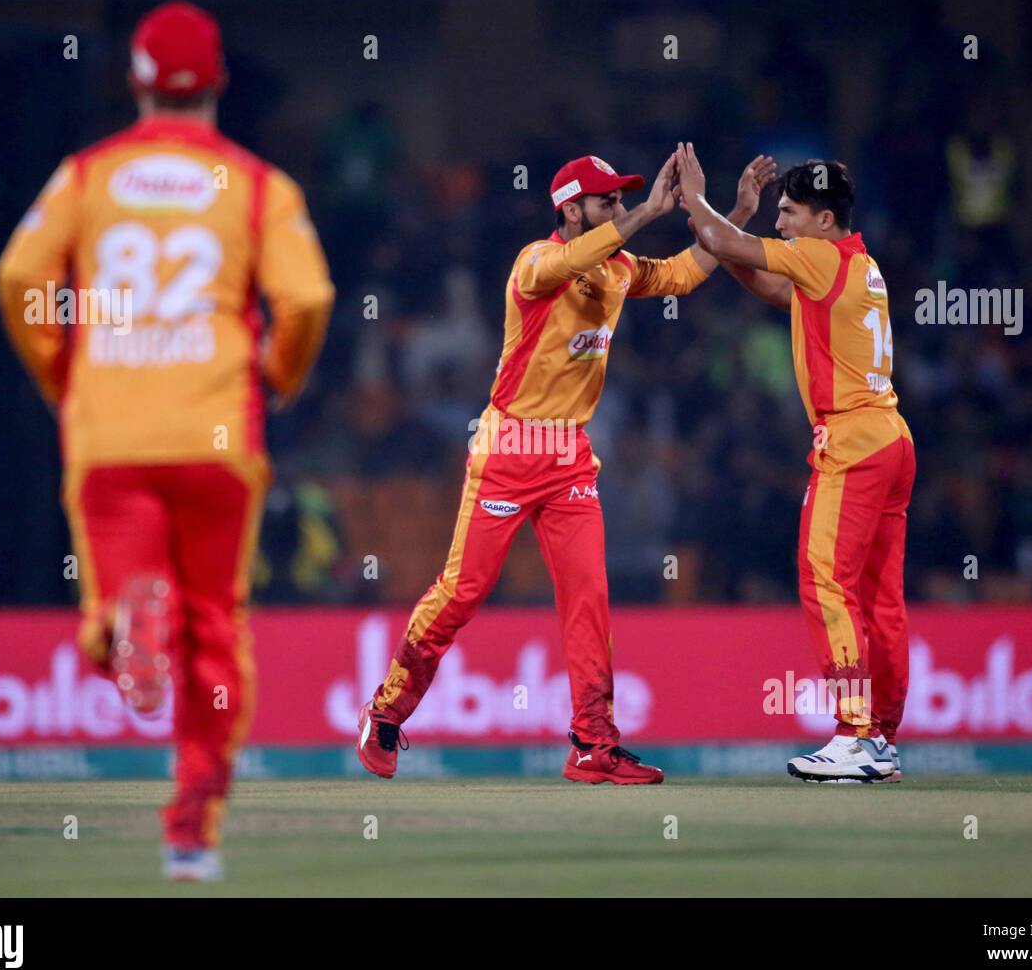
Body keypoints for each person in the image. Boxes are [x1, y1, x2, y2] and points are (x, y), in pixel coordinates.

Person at [0, 1, 334, 878]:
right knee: (216, 627)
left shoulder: (86, 177)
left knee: (121, 606)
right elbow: (307, 302)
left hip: (111, 433)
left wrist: (62, 375)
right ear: (218, 82)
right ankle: (192, 827)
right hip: (215, 432)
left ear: (136, 83)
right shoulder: (261, 187)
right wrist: (278, 375)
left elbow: (21, 275)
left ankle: (116, 628)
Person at [357, 152, 721, 785]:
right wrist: (644, 215)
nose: (615, 208)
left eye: (619, 200)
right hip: (508, 451)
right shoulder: (533, 263)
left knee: (589, 600)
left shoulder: (617, 268)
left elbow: (685, 275)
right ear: (571, 208)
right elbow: (567, 262)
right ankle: (386, 712)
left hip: (570, 454)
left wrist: (727, 213)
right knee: (462, 594)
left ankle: (592, 744)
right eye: (605, 200)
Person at [676, 144, 913, 782]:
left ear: (823, 221)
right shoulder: (855, 264)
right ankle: (881, 737)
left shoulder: (818, 255)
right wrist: (730, 231)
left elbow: (731, 242)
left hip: (853, 441)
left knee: (823, 581)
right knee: (879, 597)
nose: (779, 223)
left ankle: (855, 733)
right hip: (891, 437)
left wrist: (705, 201)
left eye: (789, 212)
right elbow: (761, 277)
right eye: (775, 212)